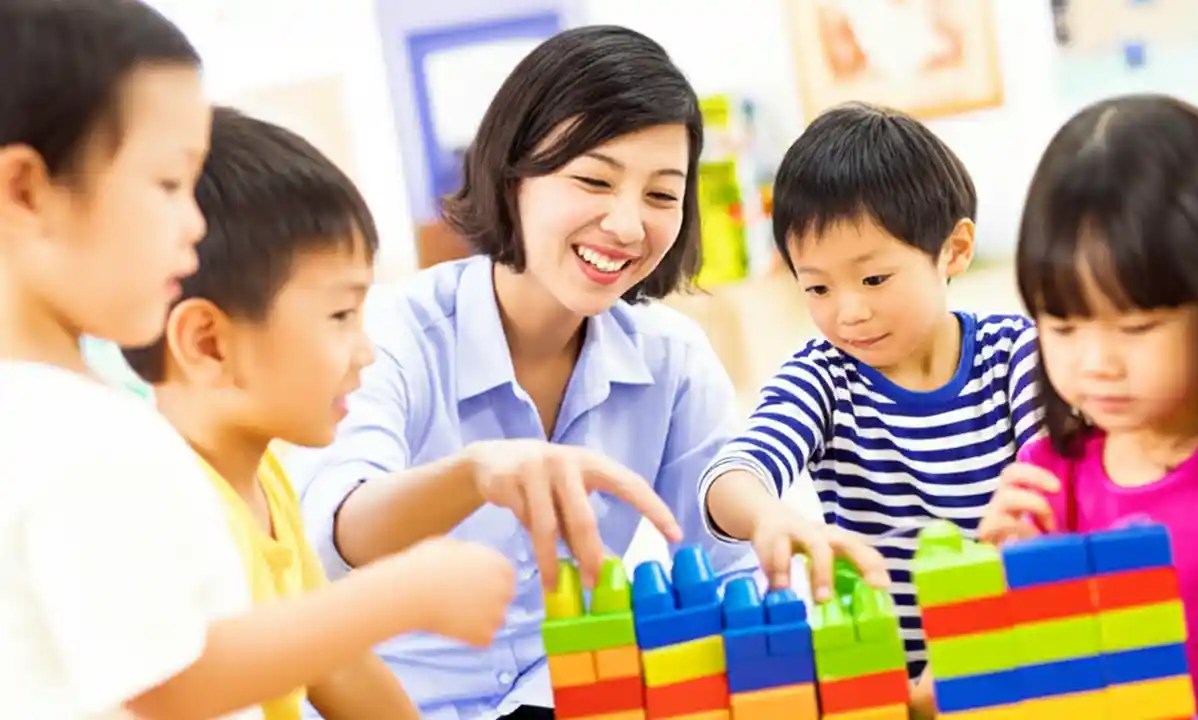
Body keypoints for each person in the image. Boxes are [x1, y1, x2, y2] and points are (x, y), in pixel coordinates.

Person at [0, 3, 511, 717]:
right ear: (26, 190)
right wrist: (404, 592)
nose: (195, 223)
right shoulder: (82, 437)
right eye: (168, 185)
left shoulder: (55, 419)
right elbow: (168, 683)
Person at [290, 25, 759, 719]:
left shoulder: (672, 357)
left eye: (663, 195)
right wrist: (474, 474)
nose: (628, 226)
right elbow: (333, 533)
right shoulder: (392, 333)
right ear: (513, 179)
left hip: (574, 698)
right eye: (594, 180)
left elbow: (729, 570)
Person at [696, 103, 1041, 694]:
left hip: (1023, 659)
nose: (848, 311)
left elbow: (1063, 477)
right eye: (818, 287)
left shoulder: (1014, 357)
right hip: (894, 686)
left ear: (953, 251)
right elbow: (732, 474)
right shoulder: (823, 379)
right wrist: (768, 514)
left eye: (874, 279)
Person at [119, 107, 427, 718]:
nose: (366, 352)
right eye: (341, 315)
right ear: (208, 342)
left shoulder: (262, 477)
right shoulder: (171, 518)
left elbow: (339, 666)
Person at [979, 94, 1198, 720]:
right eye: (1063, 326)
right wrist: (995, 585)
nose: (1096, 363)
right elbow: (1032, 679)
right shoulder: (1044, 481)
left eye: (1136, 327)